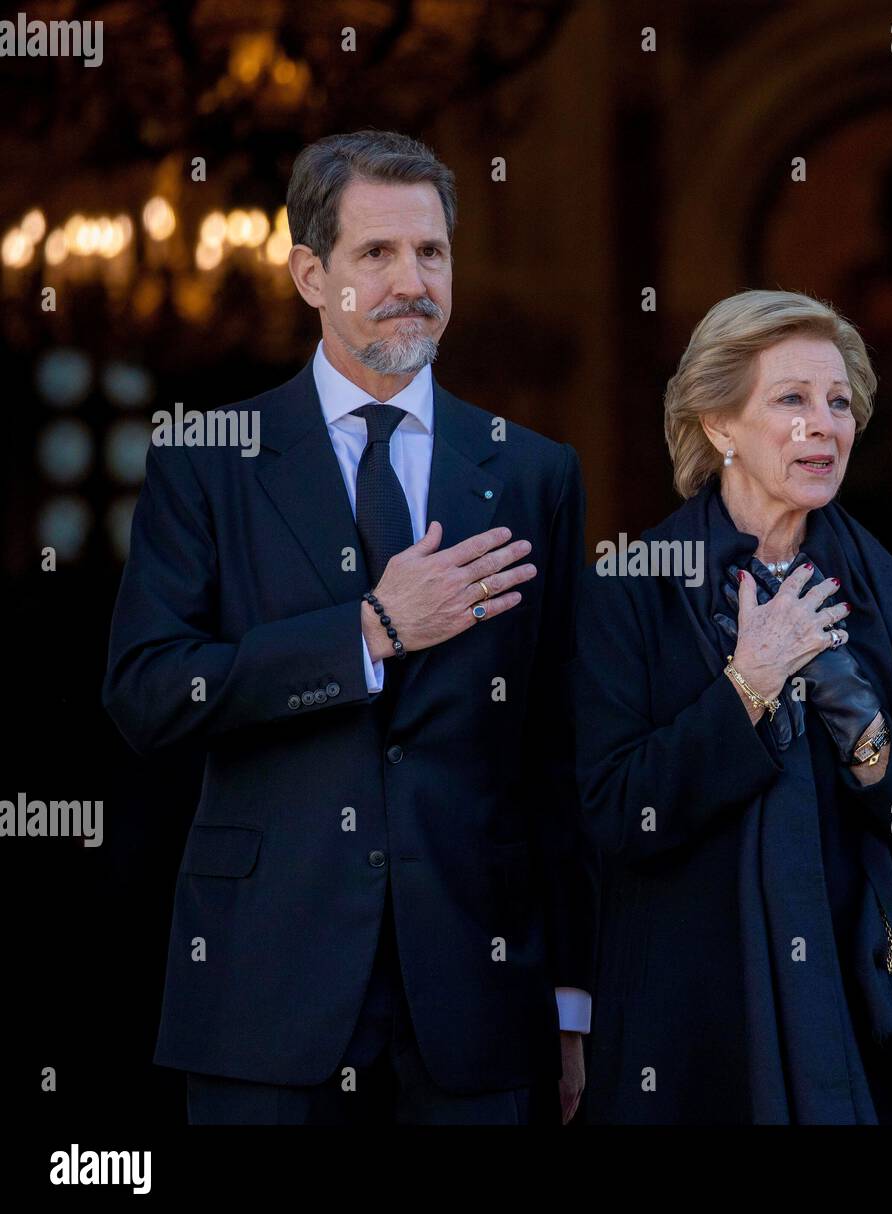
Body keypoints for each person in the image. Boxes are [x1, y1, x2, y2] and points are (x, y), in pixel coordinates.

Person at [102, 130, 596, 1124]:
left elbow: (558, 753)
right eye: (377, 253)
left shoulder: (535, 472)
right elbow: (148, 691)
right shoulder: (208, 460)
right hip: (261, 985)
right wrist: (367, 628)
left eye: (432, 252)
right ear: (309, 273)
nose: (412, 279)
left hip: (476, 992)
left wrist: (571, 997)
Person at [573, 289, 892, 1124]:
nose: (823, 424)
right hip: (687, 1031)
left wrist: (863, 726)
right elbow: (613, 814)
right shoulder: (630, 589)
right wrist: (748, 685)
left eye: (838, 402)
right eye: (790, 399)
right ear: (719, 425)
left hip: (864, 1021)